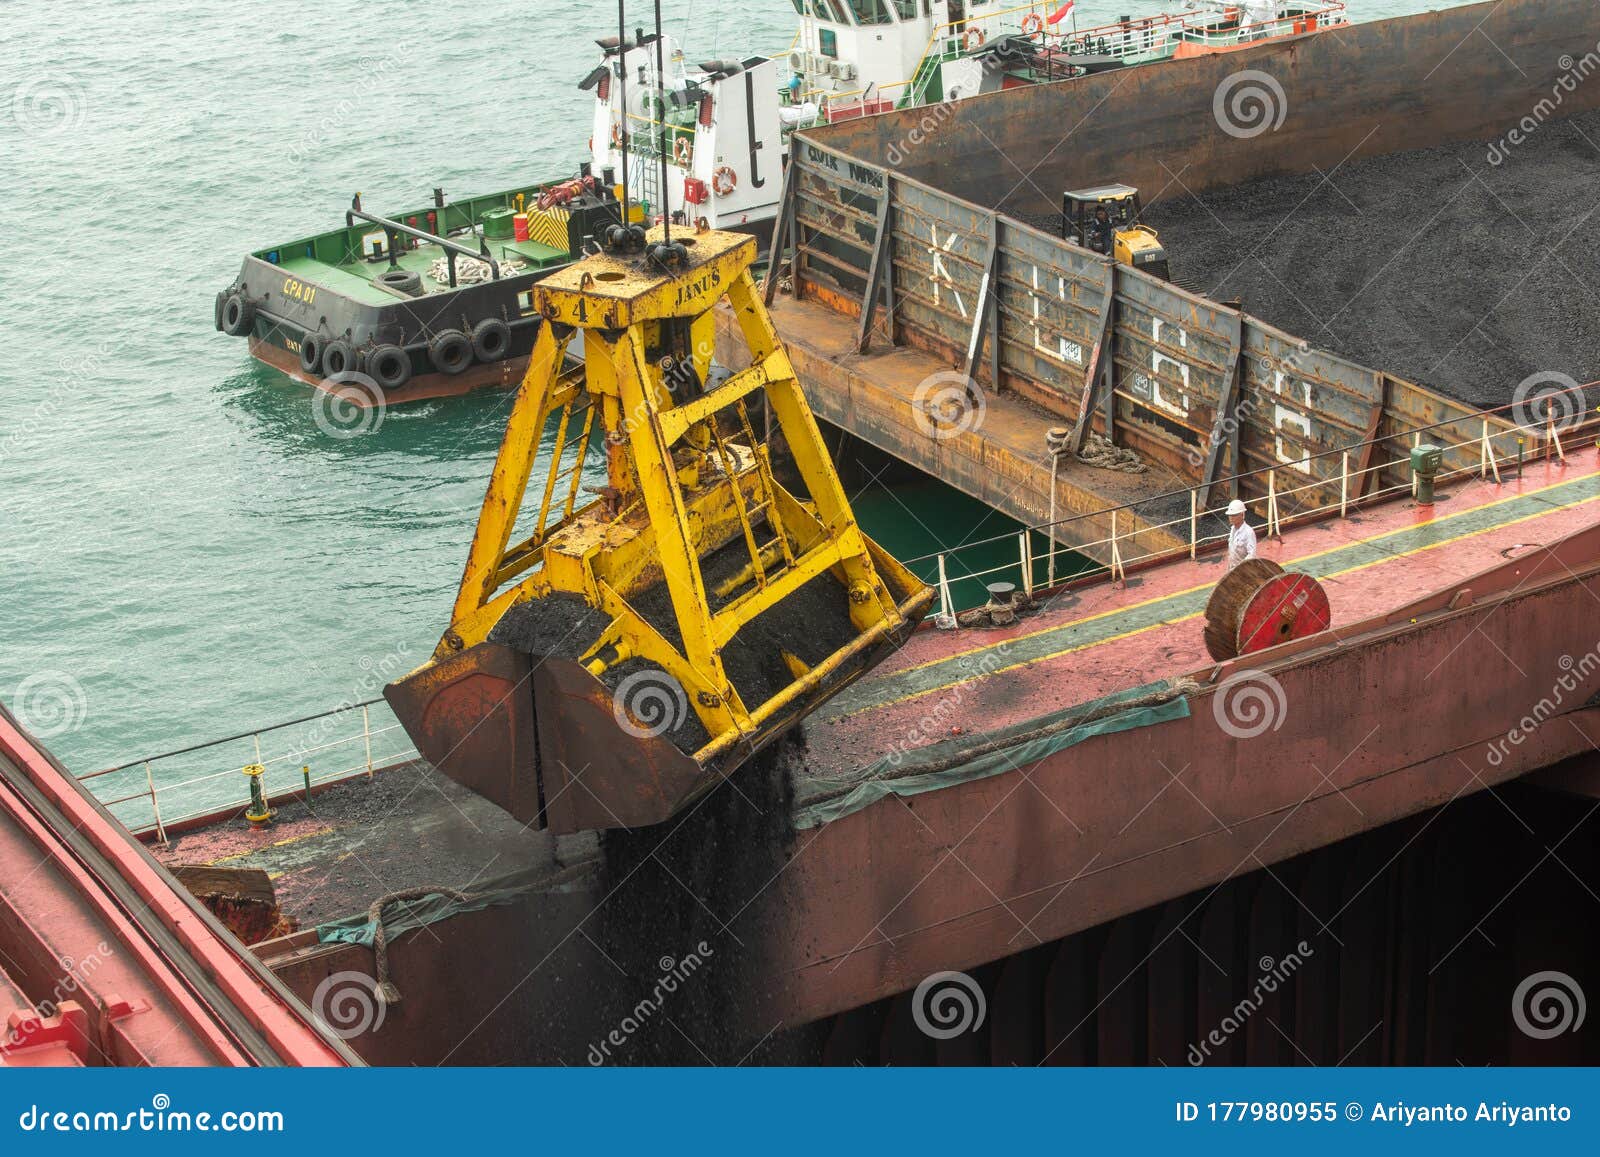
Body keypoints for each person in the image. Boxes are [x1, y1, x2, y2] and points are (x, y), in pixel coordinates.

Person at [1226, 498, 1257, 570]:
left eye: (1234, 515)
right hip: (1232, 569)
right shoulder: (1232, 530)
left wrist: (1240, 568)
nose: (1231, 518)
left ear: (1242, 515)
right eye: (1230, 515)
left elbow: (1252, 555)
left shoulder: (1248, 532)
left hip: (1244, 570)